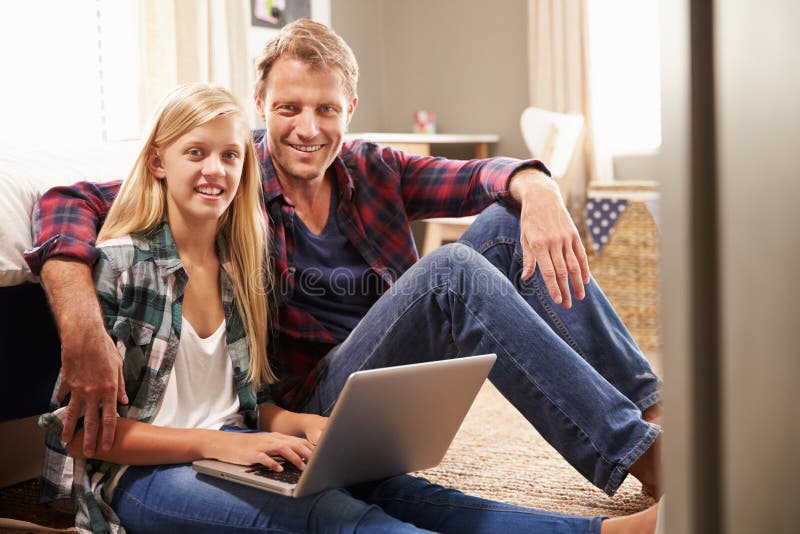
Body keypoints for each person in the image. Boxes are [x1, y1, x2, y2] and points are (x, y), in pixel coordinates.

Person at [27, 17, 661, 514]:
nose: (307, 129)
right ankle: (644, 459)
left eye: (326, 110)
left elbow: (477, 176)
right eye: (288, 109)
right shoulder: (231, 174)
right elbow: (67, 200)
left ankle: (653, 418)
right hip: (311, 405)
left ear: (349, 110)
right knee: (450, 274)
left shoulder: (375, 169)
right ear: (260, 105)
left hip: (397, 391)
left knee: (503, 224)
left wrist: (539, 187)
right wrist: (83, 326)